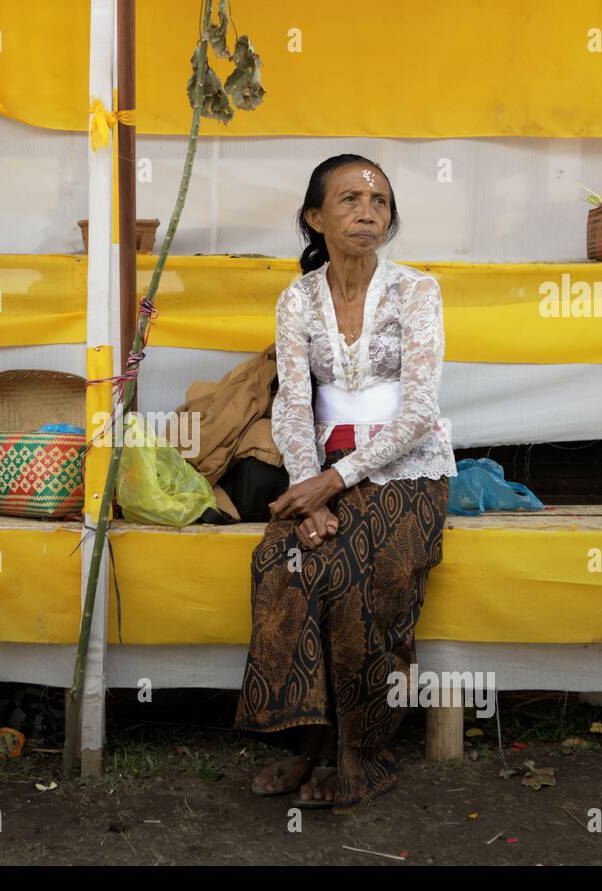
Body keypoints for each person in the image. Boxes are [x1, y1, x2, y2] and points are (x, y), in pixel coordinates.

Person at [234, 155, 457, 812]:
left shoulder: (417, 291)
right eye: (351, 197)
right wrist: (306, 493)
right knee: (285, 559)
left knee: (369, 568)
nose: (368, 210)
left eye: (380, 200)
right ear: (314, 217)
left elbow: (419, 412)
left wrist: (334, 480)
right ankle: (307, 740)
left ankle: (363, 754)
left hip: (405, 472)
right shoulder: (297, 299)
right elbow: (293, 405)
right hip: (321, 472)